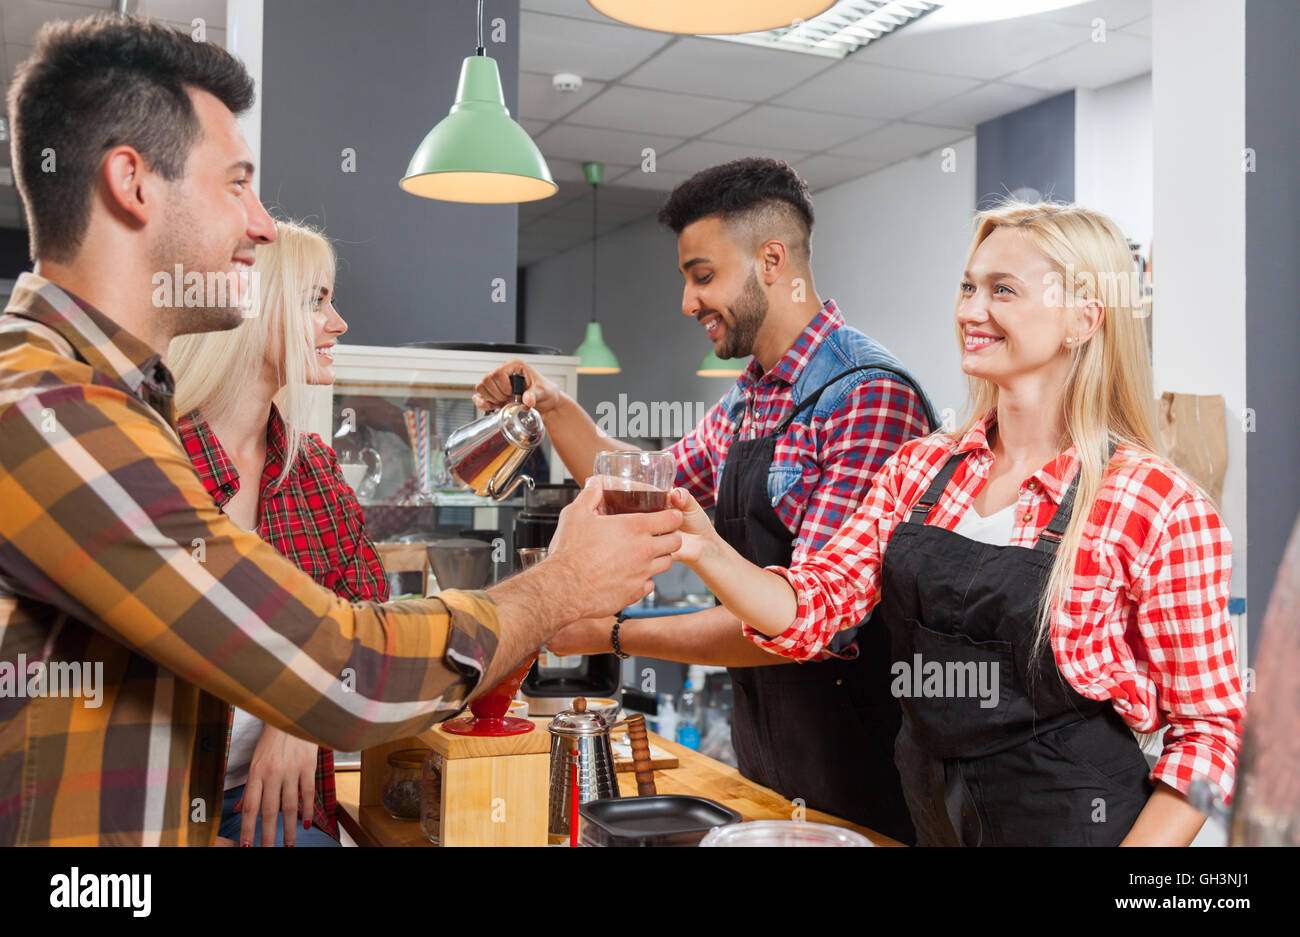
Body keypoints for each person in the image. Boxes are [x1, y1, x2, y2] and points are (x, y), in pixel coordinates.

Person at [0, 15, 680, 846]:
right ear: (132, 182)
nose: (258, 222)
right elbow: (338, 665)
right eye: (235, 184)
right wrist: (563, 584)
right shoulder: (51, 407)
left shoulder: (111, 402)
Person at [667, 201, 1246, 846]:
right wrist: (704, 546)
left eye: (1003, 290)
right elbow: (814, 611)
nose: (971, 311)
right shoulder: (922, 470)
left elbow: (1210, 732)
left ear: (1085, 317)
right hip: (931, 823)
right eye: (969, 287)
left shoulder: (1154, 502)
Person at [475, 158, 935, 842]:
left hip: (858, 780)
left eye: (702, 275)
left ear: (771, 261)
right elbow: (642, 483)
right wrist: (552, 405)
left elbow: (804, 628)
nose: (688, 302)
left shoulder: (867, 396)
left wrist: (612, 633)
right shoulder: (753, 393)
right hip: (770, 764)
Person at [168, 219, 375, 846]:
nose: (338, 323)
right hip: (152, 812)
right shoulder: (153, 464)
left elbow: (368, 619)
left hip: (270, 808)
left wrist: (300, 719)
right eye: (317, 300)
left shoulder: (312, 469)